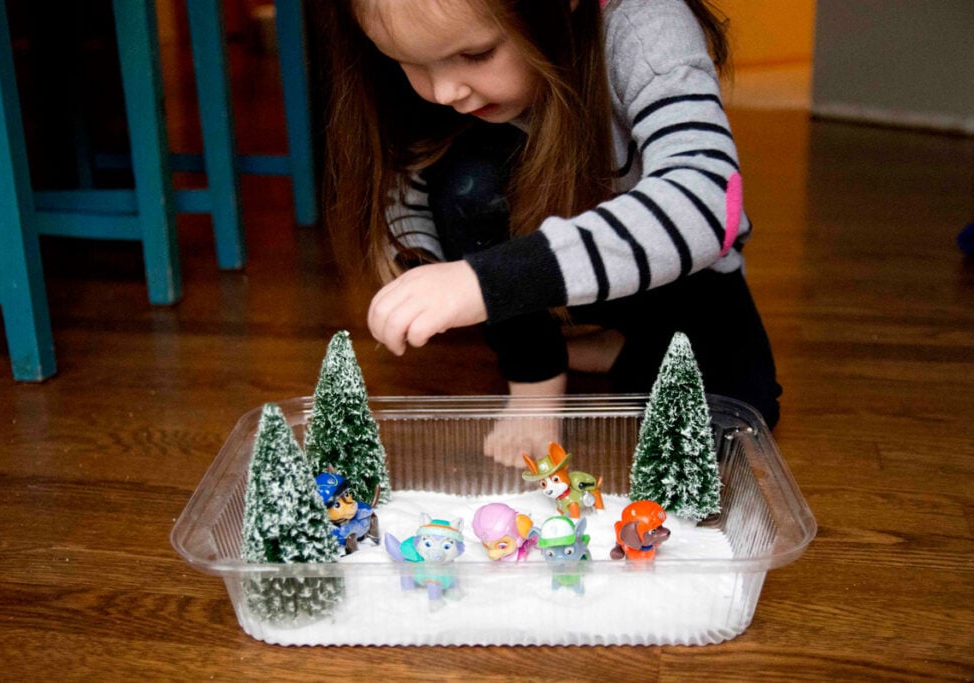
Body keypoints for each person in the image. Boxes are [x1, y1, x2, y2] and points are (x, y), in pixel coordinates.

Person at [319, 0, 782, 457]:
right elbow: (416, 170)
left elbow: (707, 203)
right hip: (547, 281)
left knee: (731, 419)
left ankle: (619, 347)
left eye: (477, 55)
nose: (444, 92)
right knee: (468, 186)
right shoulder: (445, 78)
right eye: (408, 62)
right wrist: (423, 260)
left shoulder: (648, 25)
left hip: (680, 277)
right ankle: (536, 377)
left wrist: (488, 281)